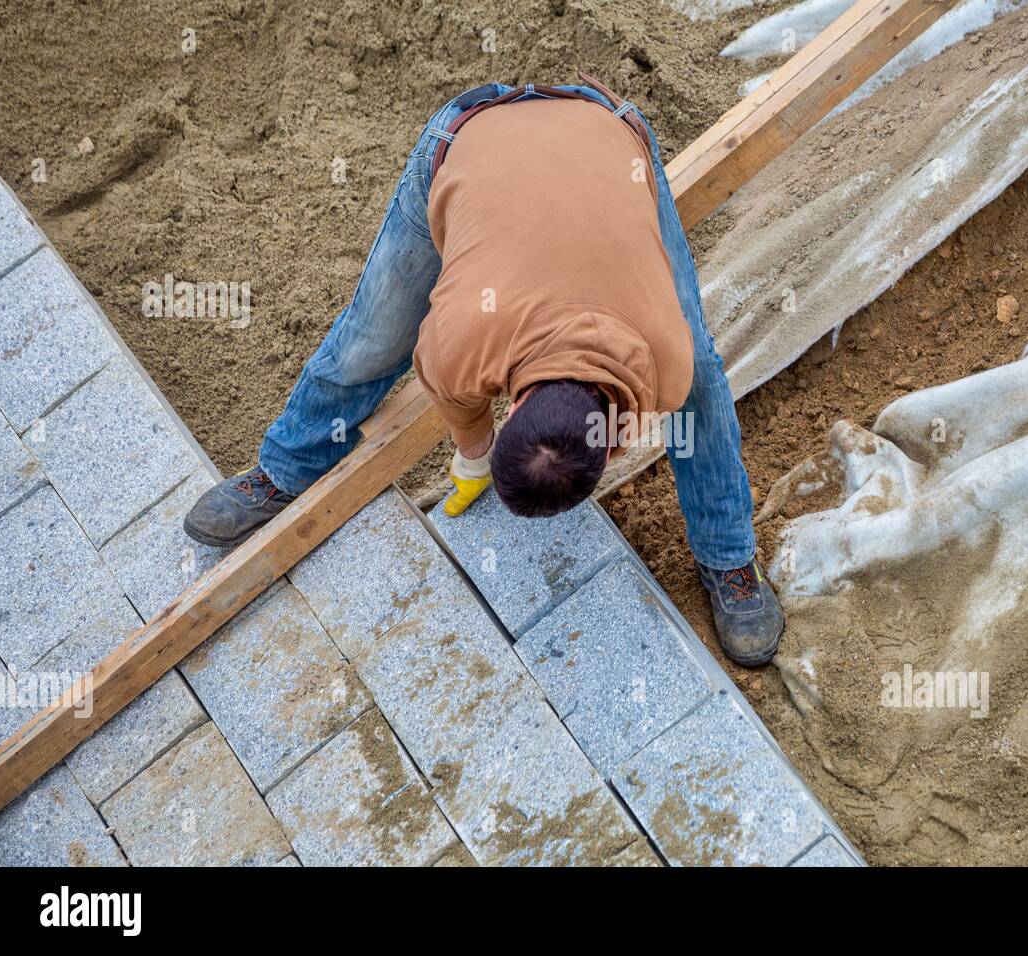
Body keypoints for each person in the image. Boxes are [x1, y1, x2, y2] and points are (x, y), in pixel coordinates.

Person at [183, 74, 783, 666]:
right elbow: (444, 388)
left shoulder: (668, 362)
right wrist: (473, 457)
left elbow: (659, 394)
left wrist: (480, 455)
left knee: (704, 379)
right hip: (468, 141)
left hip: (606, 138)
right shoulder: (460, 339)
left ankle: (729, 557)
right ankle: (285, 467)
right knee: (371, 340)